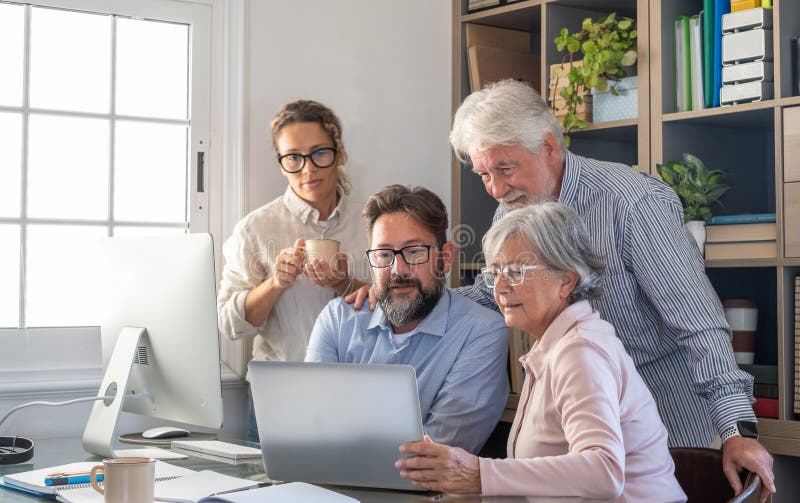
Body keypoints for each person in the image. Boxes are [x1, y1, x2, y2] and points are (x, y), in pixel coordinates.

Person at [447, 79, 774, 500]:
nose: (494, 188)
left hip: (673, 435)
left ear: (548, 147)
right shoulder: (514, 207)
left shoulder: (633, 203)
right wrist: (402, 297)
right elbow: (489, 293)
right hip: (580, 442)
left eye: (505, 169)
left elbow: (701, 326)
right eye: (483, 174)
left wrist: (736, 428)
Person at [396, 203, 687, 502]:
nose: (500, 288)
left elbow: (604, 470)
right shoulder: (557, 343)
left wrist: (479, 474)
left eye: (516, 272)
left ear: (566, 279)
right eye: (495, 272)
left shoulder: (579, 351)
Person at [306, 185, 509, 454]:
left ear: (445, 258)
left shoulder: (482, 332)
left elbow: (437, 456)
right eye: (384, 255)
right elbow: (311, 429)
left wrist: (343, 447)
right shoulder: (337, 319)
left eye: (414, 252)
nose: (398, 270)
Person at [217, 100, 369, 442]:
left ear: (340, 153)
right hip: (280, 397)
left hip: (361, 394)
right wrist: (275, 283)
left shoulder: (372, 223)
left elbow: (399, 309)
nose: (307, 169)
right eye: (293, 158)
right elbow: (229, 324)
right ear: (281, 164)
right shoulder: (256, 230)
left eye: (319, 153)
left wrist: (345, 284)